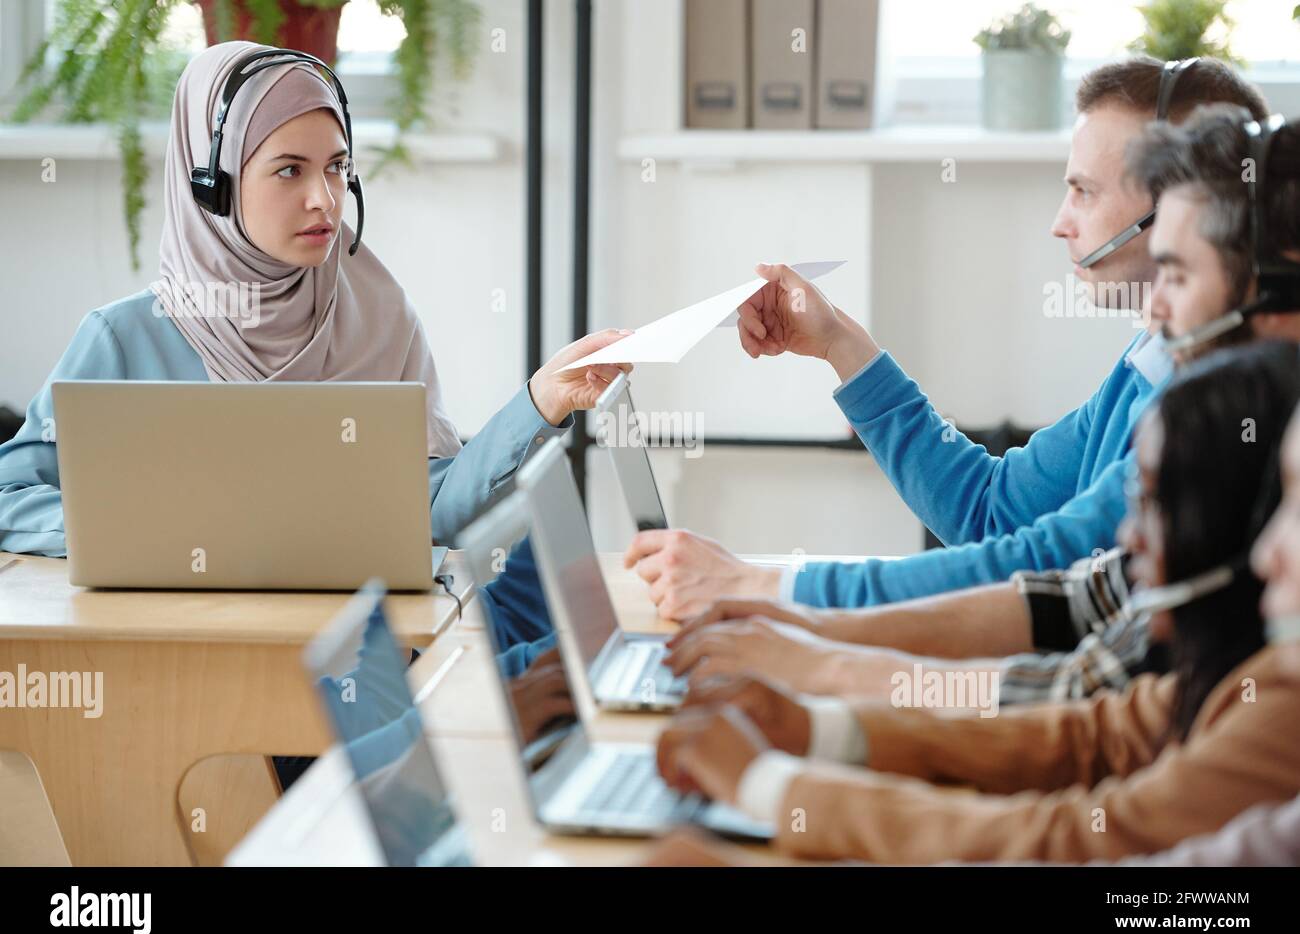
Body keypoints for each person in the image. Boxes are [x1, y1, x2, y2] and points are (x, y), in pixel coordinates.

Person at [658, 104, 1300, 709]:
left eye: (1085, 190)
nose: (1061, 222)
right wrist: (841, 347)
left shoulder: (1218, 437)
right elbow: (1008, 530)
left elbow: (1048, 588)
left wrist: (790, 611)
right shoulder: (1154, 371)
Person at [655, 341, 1300, 863]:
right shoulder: (1249, 674)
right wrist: (817, 718)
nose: (1270, 549)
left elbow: (1082, 845)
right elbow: (1088, 732)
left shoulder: (1277, 704)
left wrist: (774, 782)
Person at [0, 42, 631, 555]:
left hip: (351, 646)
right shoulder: (124, 340)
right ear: (211, 186)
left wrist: (541, 400)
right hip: (178, 650)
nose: (324, 199)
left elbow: (436, 511)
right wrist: (155, 530)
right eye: (289, 170)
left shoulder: (382, 319)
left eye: (336, 167)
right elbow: (10, 498)